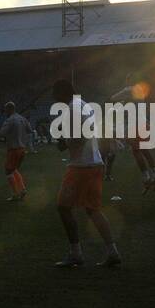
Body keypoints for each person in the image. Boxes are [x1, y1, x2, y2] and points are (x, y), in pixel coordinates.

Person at [51, 79, 121, 268]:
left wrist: (63, 142)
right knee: (92, 210)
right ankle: (112, 250)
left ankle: (76, 253)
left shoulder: (71, 109)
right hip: (94, 162)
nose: (53, 97)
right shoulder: (83, 105)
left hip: (81, 166)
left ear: (61, 93)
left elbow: (79, 137)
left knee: (63, 207)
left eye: (55, 94)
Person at [108, 80, 155, 192]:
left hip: (134, 125)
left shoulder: (128, 90)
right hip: (143, 123)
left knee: (136, 151)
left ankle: (146, 177)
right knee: (145, 150)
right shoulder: (141, 91)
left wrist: (121, 101)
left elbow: (113, 98)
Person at [0, 101, 32, 202]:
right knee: (13, 169)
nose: (5, 112)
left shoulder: (10, 120)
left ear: (8, 109)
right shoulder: (22, 119)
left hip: (13, 149)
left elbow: (1, 133)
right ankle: (22, 190)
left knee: (8, 171)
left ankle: (15, 193)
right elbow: (29, 130)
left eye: (5, 110)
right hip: (22, 149)